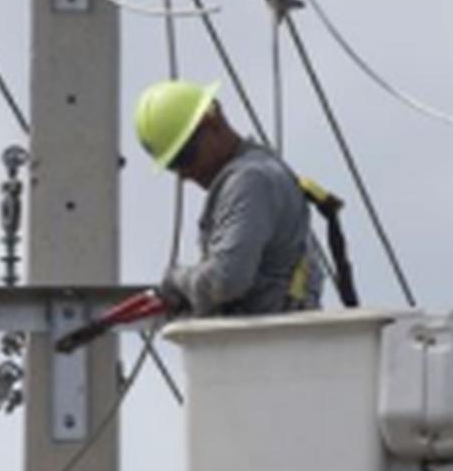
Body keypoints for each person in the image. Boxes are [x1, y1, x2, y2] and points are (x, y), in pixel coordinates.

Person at [133, 79, 325, 316]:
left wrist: (177, 279)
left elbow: (226, 280)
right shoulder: (260, 172)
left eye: (184, 156)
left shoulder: (250, 181)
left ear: (214, 121)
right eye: (173, 166)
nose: (185, 174)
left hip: (269, 344)